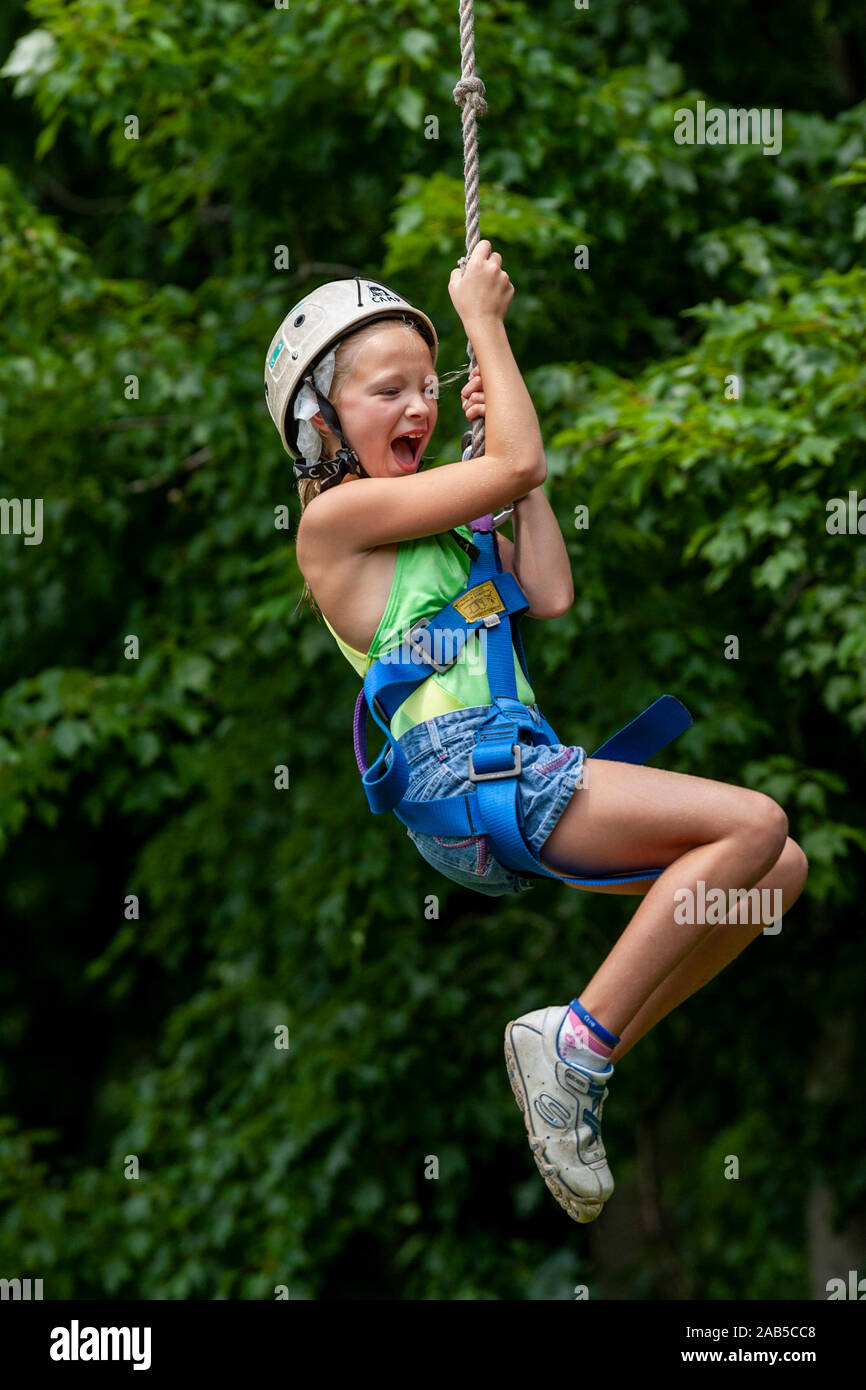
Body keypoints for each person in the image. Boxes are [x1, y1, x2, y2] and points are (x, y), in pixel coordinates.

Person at [263, 241, 809, 1224]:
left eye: (428, 388)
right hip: (461, 769)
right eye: (389, 390)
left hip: (499, 774)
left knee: (774, 875)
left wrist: (519, 489)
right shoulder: (335, 525)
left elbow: (546, 589)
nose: (419, 407)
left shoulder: (440, 538)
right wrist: (483, 322)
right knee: (750, 822)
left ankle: (578, 1065)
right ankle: (575, 1043)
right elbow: (517, 452)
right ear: (318, 421)